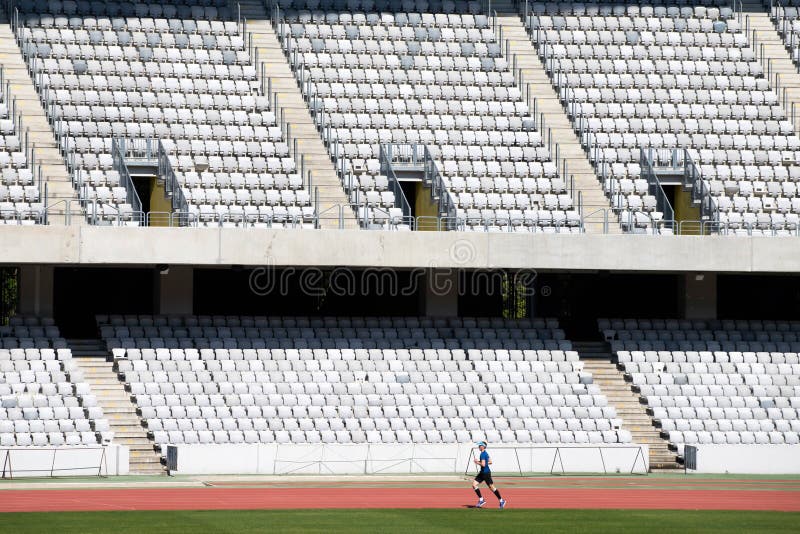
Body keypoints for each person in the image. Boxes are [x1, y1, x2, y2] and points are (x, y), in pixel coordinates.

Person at [472, 441, 506, 509]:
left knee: (492, 487)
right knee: (474, 484)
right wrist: (481, 462)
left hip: (486, 473)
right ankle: (481, 500)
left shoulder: (483, 454)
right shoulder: (485, 453)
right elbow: (490, 462)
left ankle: (501, 501)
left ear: (483, 446)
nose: (478, 447)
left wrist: (477, 462)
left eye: (480, 446)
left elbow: (483, 464)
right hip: (482, 473)